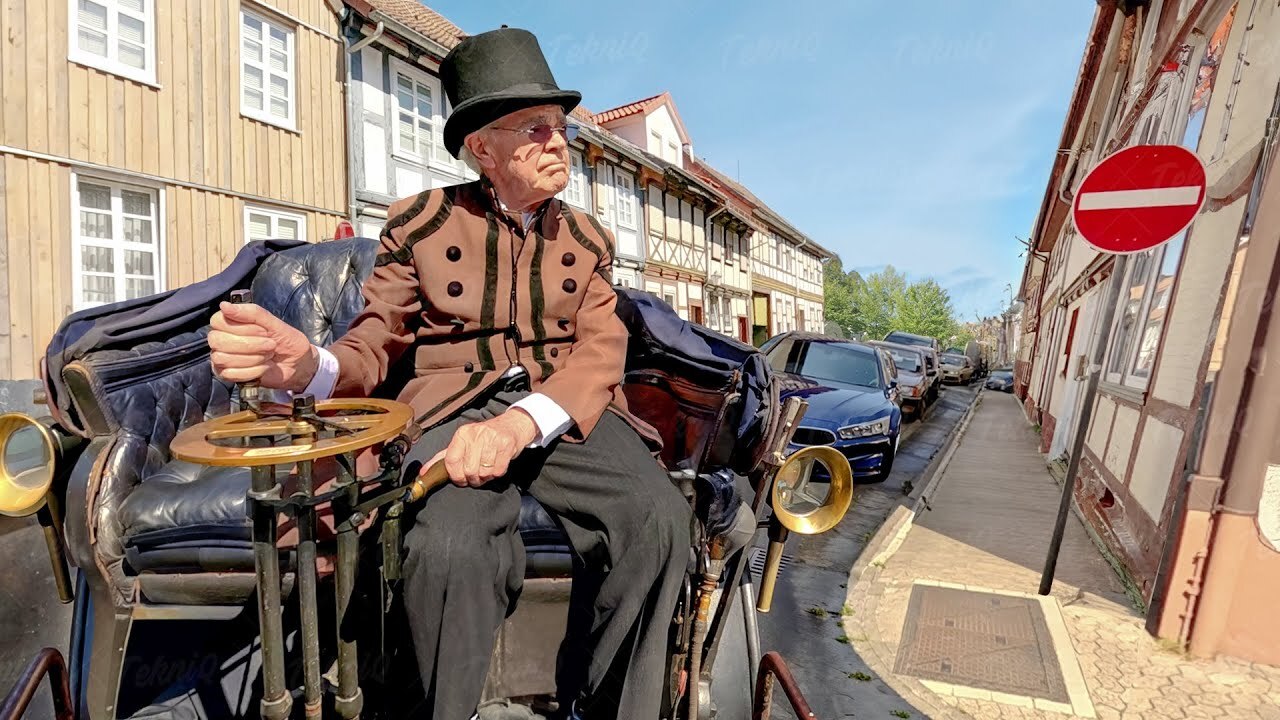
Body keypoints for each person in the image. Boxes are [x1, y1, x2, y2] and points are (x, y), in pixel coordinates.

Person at [207, 27, 691, 719]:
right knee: (447, 549)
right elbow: (374, 341)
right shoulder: (420, 225)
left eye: (560, 128)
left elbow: (600, 352)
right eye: (535, 128)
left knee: (659, 520)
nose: (560, 143)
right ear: (482, 150)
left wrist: (525, 422)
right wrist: (308, 364)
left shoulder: (589, 238)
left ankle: (606, 707)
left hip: (564, 410)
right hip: (452, 412)